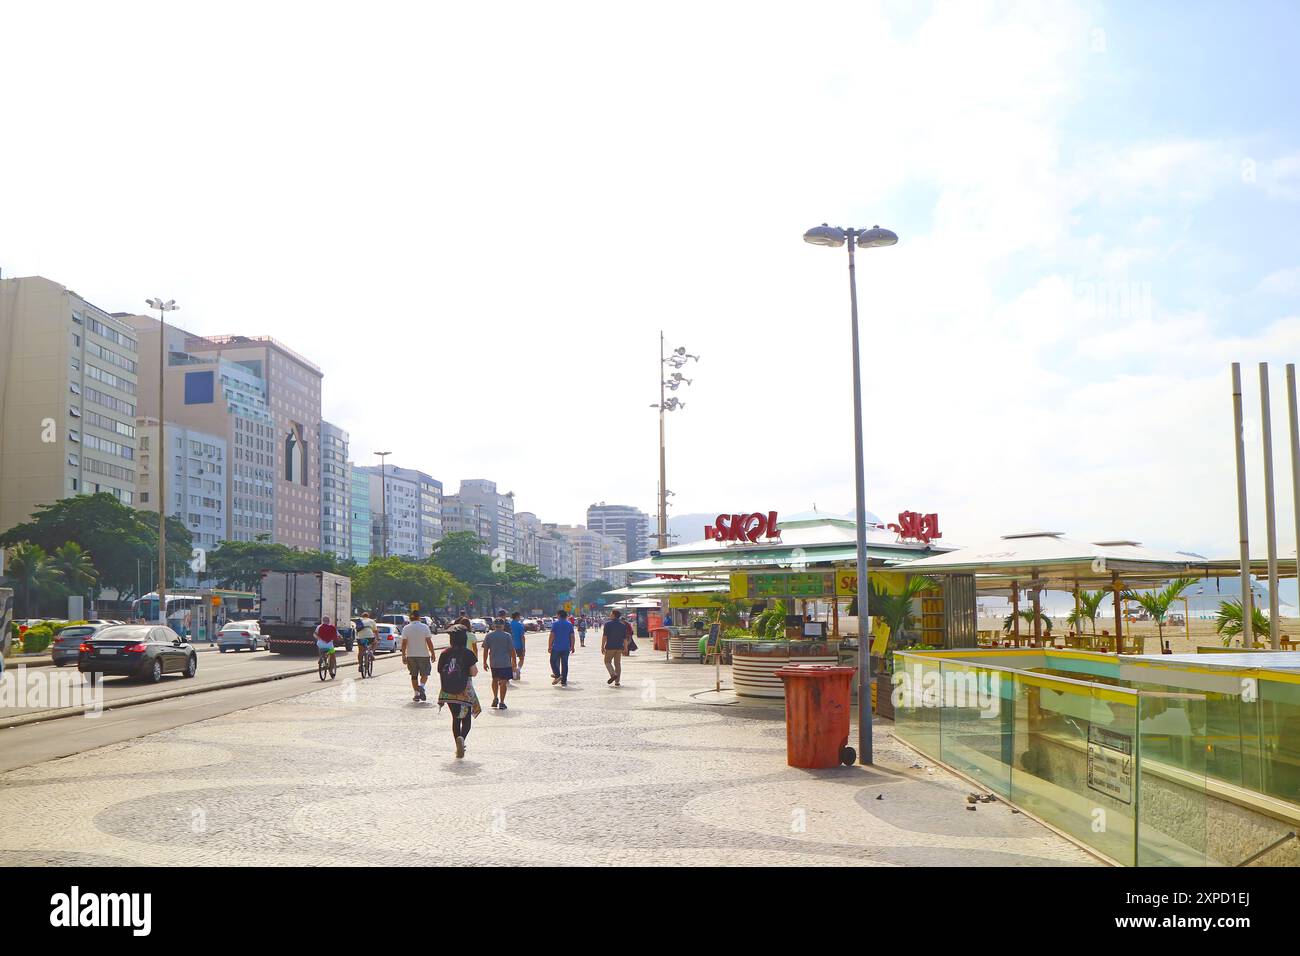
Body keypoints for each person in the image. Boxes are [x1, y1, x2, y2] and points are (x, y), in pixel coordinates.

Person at [437, 628, 481, 757]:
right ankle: (462, 739)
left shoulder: (444, 653)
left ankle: (457, 742)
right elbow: (474, 672)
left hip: (447, 691)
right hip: (464, 691)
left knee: (455, 718)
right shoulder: (468, 653)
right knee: (466, 719)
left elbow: (440, 670)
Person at [483, 618, 518, 709]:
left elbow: (486, 650)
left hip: (494, 663)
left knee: (494, 679)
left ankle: (495, 697)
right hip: (505, 663)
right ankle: (502, 702)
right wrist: (514, 662)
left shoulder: (489, 635)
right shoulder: (507, 636)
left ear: (494, 625)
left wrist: (484, 662)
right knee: (503, 682)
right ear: (503, 626)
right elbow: (512, 650)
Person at [400, 614, 436, 702]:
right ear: (419, 618)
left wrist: (403, 655)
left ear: (410, 619)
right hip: (424, 655)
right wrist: (433, 653)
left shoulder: (406, 628)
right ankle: (422, 687)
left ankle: (416, 694)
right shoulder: (424, 627)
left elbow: (404, 643)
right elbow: (429, 642)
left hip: (411, 655)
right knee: (425, 674)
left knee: (413, 675)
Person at [601, 609, 630, 686]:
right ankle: (617, 681)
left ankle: (613, 674)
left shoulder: (608, 624)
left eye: (611, 614)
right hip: (619, 647)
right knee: (617, 664)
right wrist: (626, 648)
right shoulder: (623, 625)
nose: (610, 615)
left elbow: (605, 636)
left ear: (613, 615)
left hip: (610, 646)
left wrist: (602, 646)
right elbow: (624, 638)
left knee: (607, 661)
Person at [548, 609, 575, 686]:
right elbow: (572, 636)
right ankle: (563, 681)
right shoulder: (569, 624)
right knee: (565, 664)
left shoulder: (555, 624)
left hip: (556, 647)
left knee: (552, 661)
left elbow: (552, 635)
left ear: (559, 615)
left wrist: (549, 646)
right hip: (566, 647)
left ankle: (557, 675)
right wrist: (572, 646)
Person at [509, 611, 527, 678]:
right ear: (517, 617)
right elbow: (522, 637)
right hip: (519, 645)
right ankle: (518, 670)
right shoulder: (520, 625)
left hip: (510, 645)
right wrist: (524, 647)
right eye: (519, 616)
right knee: (521, 658)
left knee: (513, 659)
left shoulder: (509, 624)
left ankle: (513, 674)